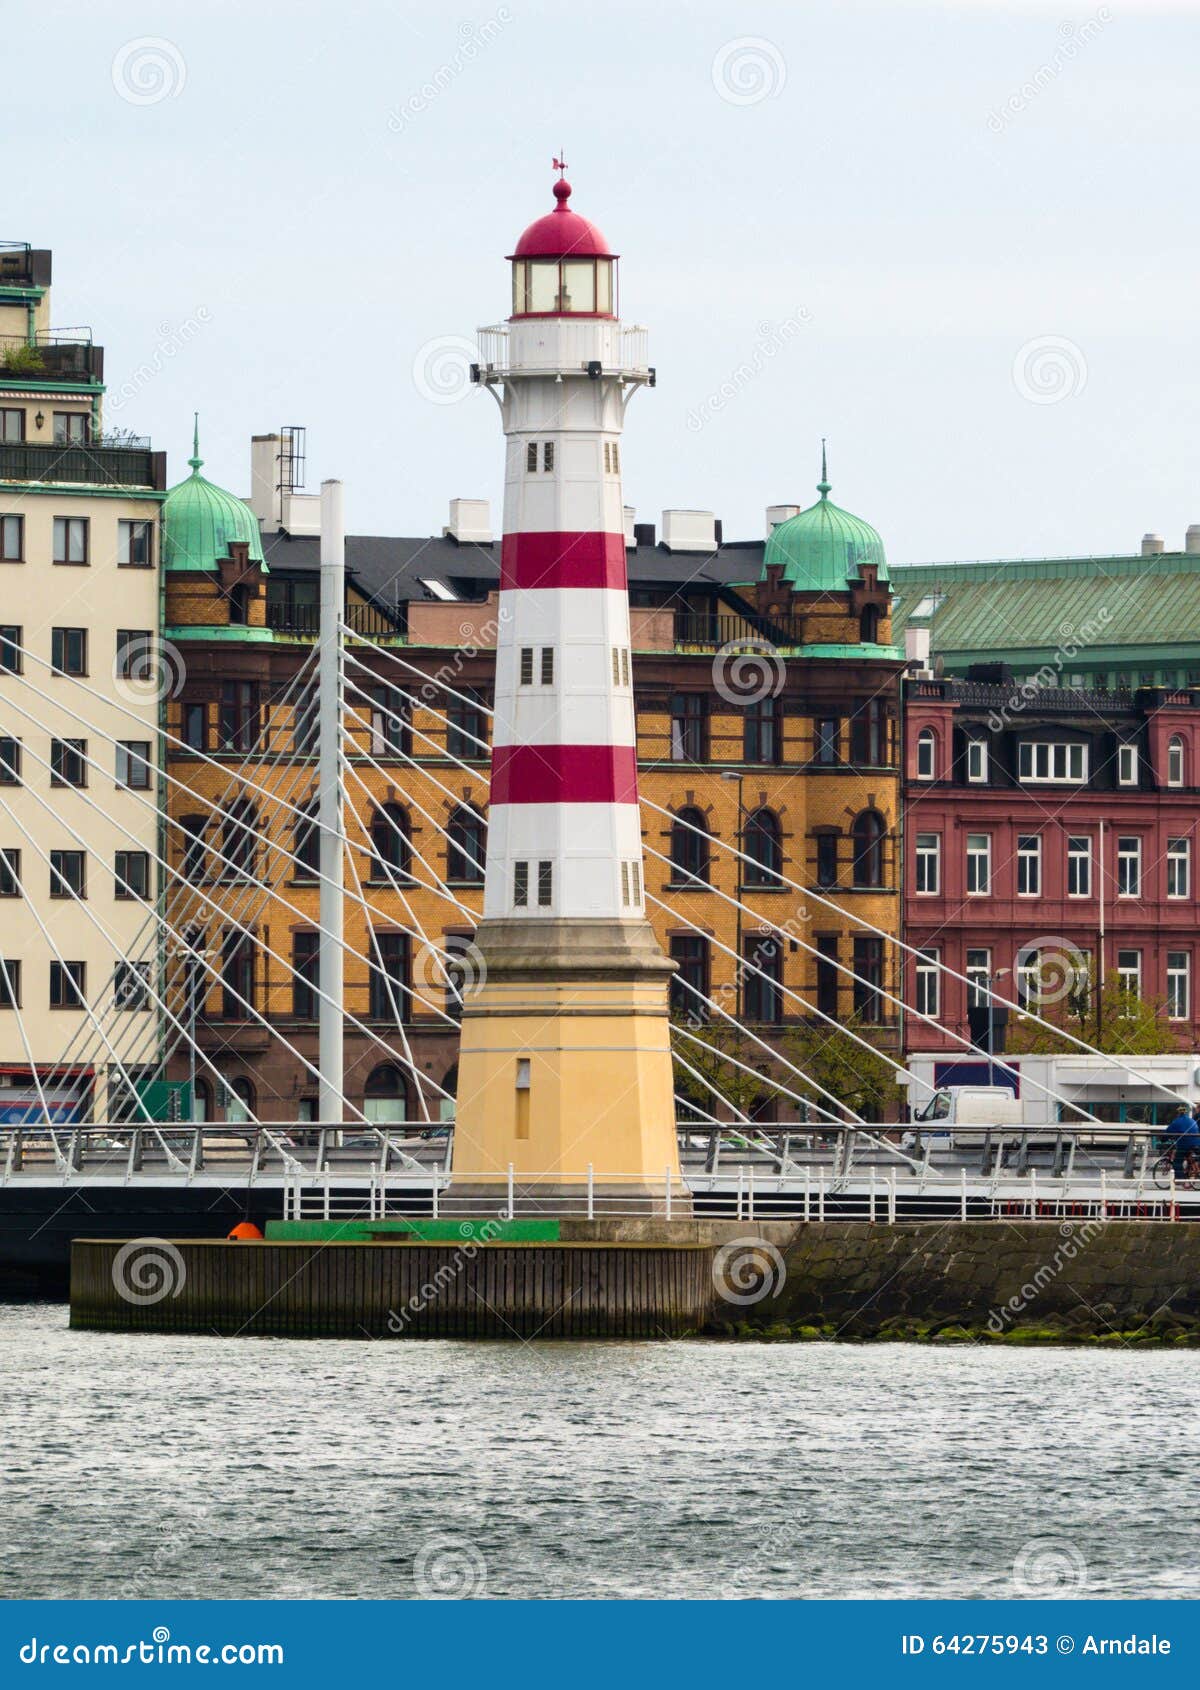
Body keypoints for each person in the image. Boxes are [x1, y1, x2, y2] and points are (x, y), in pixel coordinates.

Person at [1166, 1104, 1200, 1179]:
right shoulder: (1192, 1120)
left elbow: (1168, 1131)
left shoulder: (1177, 1121)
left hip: (1185, 1144)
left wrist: (1163, 1139)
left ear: (1178, 1113)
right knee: (1190, 1155)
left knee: (1177, 1162)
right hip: (1197, 1142)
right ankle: (1192, 1170)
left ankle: (1180, 1180)